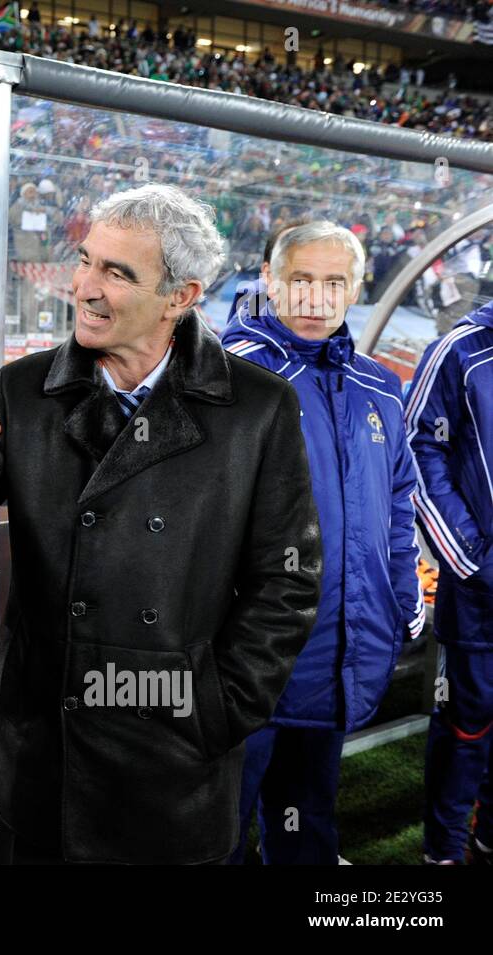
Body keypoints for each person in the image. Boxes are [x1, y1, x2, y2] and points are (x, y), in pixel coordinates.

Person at [0, 184, 322, 865]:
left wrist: (217, 709)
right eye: (85, 260)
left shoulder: (258, 409)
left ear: (181, 296)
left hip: (170, 768)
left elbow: (286, 583)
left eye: (117, 272)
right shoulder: (23, 391)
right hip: (41, 760)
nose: (84, 286)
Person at [220, 221, 423, 864]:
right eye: (301, 280)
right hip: (243, 662)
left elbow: (396, 504)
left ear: (355, 289)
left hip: (338, 652)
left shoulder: (377, 387)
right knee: (214, 832)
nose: (317, 297)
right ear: (271, 284)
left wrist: (399, 593)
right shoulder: (228, 378)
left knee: (307, 823)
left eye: (334, 282)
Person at [407, 297, 493, 865]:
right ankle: (443, 853)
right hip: (483, 593)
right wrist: (472, 559)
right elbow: (417, 449)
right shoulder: (460, 351)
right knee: (468, 727)